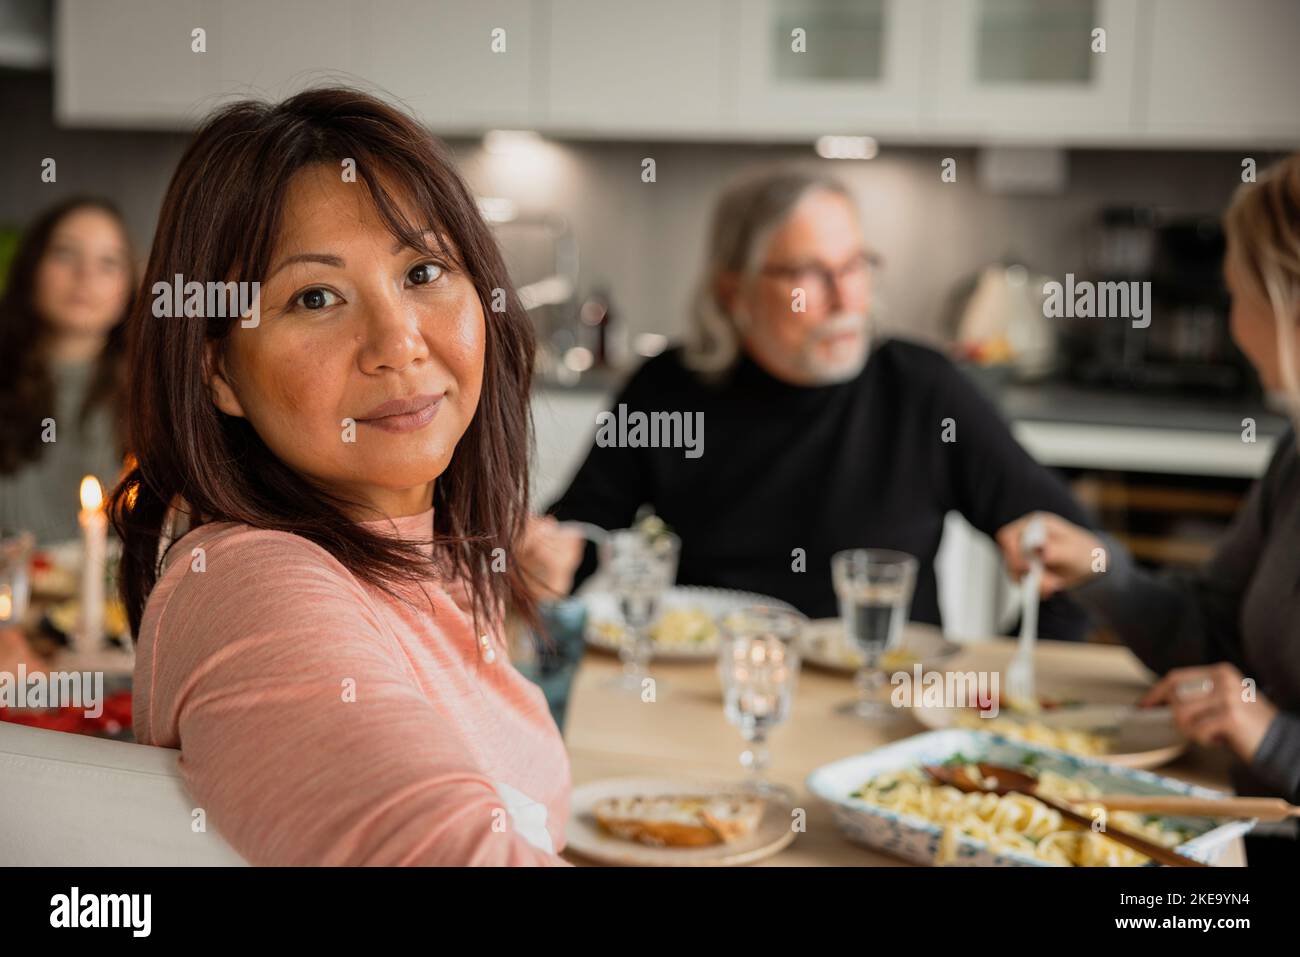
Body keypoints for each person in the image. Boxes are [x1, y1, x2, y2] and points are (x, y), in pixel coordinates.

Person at [111, 88, 569, 865]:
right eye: (315, 297)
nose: (397, 341)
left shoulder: (431, 552)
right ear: (218, 370)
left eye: (424, 271)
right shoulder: (246, 582)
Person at [550, 168, 1094, 639]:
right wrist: (545, 557)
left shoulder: (924, 390)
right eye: (808, 274)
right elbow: (578, 532)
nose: (845, 298)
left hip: (884, 700)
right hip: (719, 692)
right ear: (732, 292)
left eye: (855, 265)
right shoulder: (667, 390)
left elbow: (1083, 559)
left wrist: (1007, 675)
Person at [1000, 154, 1300, 860]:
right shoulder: (1295, 454)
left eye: (1237, 296)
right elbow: (1209, 634)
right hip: (1240, 823)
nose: (1230, 325)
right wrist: (1100, 567)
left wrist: (1277, 738)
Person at [0, 198, 134, 543]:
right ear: (31, 268)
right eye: (64, 253)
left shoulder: (150, 394)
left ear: (128, 287)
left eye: (108, 262)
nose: (85, 275)